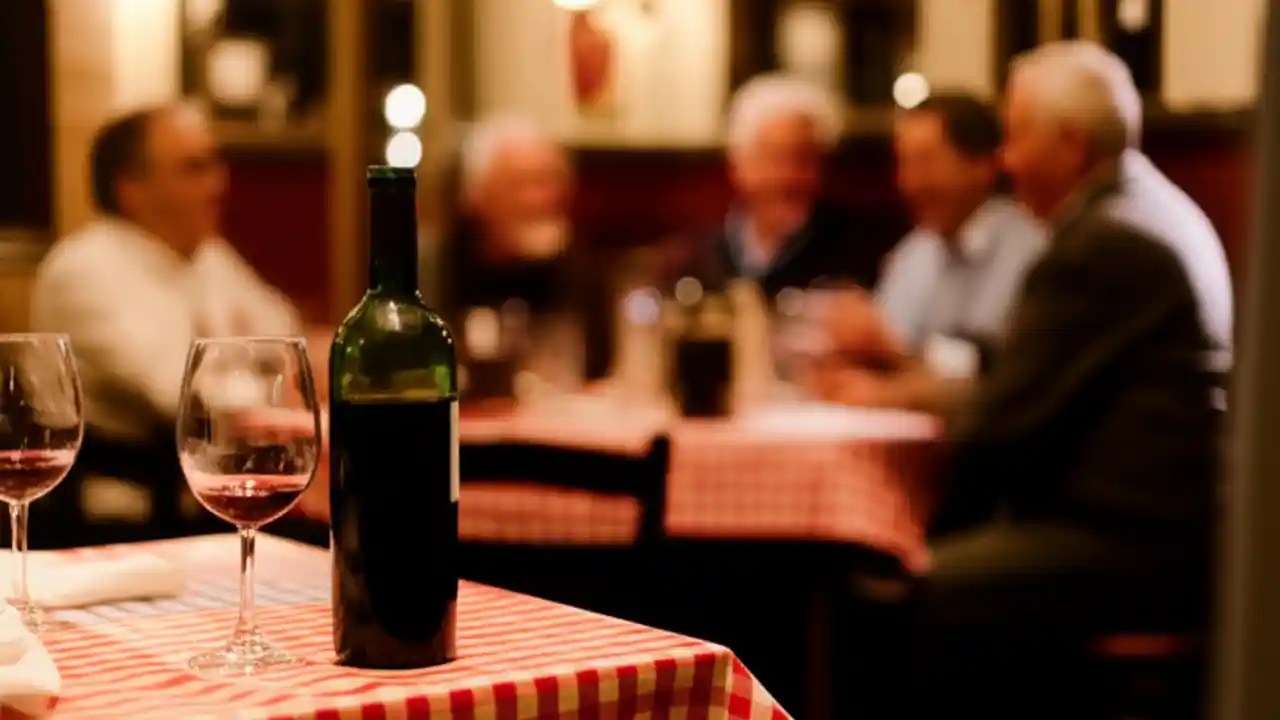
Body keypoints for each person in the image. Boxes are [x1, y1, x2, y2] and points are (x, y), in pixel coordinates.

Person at [910, 41, 1233, 718]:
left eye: (1017, 137)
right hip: (1171, 538)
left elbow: (997, 434)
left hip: (1131, 548)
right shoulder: (1148, 209)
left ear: (1069, 143)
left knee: (898, 586)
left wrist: (911, 525)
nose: (1006, 160)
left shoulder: (1104, 242)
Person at [30, 103, 305, 538]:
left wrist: (262, 367)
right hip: (119, 523)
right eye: (194, 168)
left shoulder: (207, 256)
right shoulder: (84, 268)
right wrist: (265, 371)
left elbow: (291, 341)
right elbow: (184, 395)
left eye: (215, 163)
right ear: (130, 187)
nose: (219, 184)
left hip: (212, 495)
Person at [813, 94, 1046, 410]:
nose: (909, 182)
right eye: (904, 163)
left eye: (926, 162)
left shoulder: (1031, 250)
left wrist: (891, 355)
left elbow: (991, 366)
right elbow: (892, 360)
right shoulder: (913, 254)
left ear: (982, 166)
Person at [681, 73, 894, 299]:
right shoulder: (693, 259)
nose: (787, 177)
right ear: (738, 165)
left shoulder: (861, 254)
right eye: (773, 159)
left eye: (803, 159)